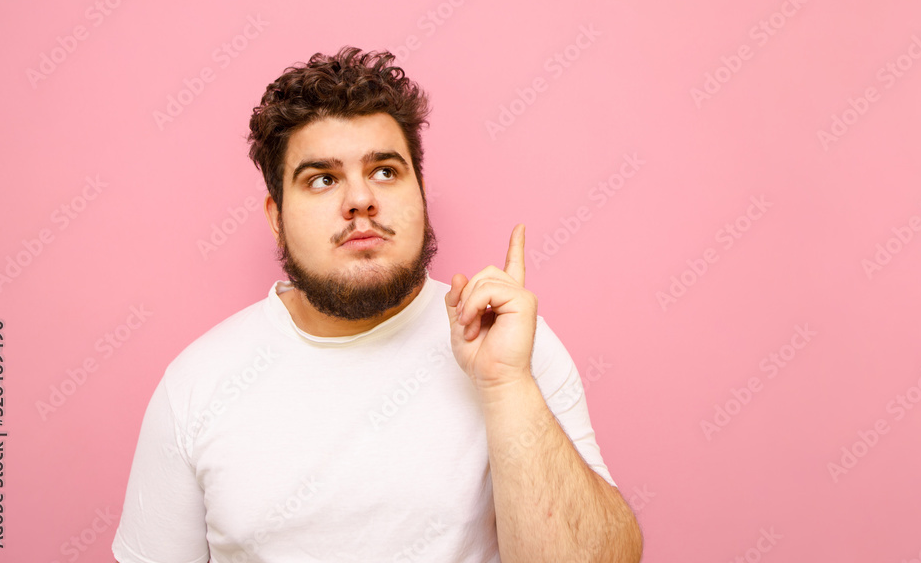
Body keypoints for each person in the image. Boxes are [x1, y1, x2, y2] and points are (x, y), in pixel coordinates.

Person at [111, 46, 643, 563]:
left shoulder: (511, 347)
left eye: (385, 171)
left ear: (420, 191)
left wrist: (506, 385)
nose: (360, 200)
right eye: (322, 179)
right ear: (276, 216)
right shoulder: (197, 385)